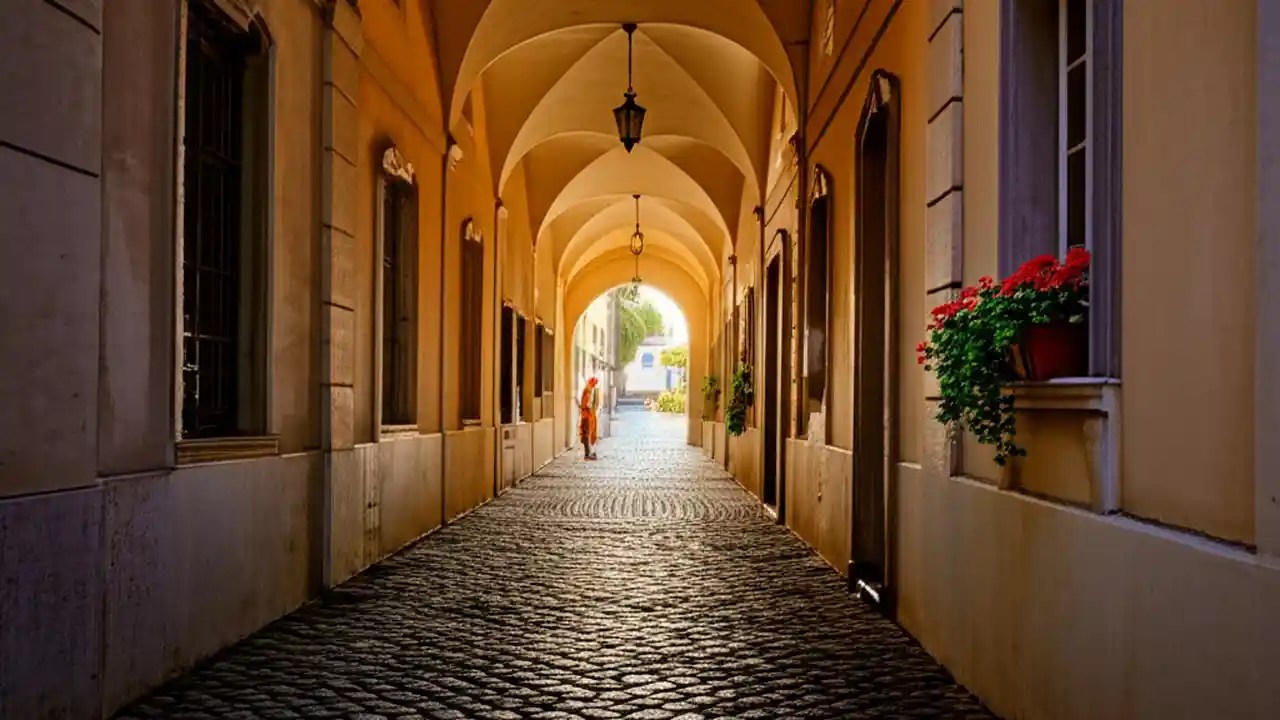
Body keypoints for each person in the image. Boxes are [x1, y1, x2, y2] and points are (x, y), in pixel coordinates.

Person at [578, 377, 599, 460]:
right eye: (594, 384)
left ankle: (588, 453)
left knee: (586, 435)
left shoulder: (588, 389)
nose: (594, 386)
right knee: (586, 435)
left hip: (586, 415)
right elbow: (585, 404)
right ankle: (587, 454)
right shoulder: (588, 390)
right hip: (586, 416)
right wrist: (590, 411)